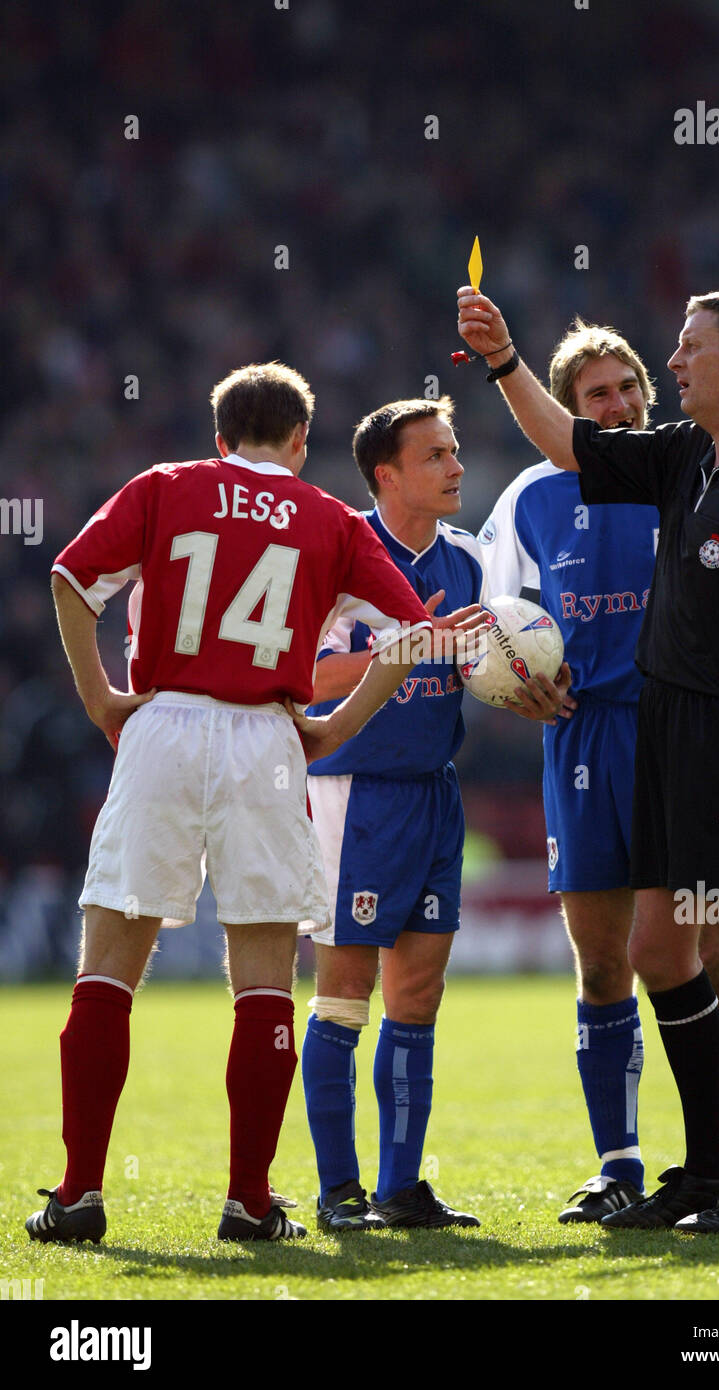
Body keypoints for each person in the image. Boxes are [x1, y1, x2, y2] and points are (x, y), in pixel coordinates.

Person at [27, 361, 479, 1246]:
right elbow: (411, 636)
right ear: (302, 442)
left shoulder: (164, 487)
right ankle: (249, 1200)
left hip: (160, 725)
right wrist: (330, 726)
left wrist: (103, 700)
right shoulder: (327, 519)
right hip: (268, 739)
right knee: (266, 977)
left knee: (107, 967)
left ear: (220, 436)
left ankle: (79, 1194)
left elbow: (71, 581)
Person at [458, 285, 719, 1232]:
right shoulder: (689, 458)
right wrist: (505, 358)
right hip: (664, 736)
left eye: (687, 347)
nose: (672, 365)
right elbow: (568, 444)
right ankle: (703, 1173)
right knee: (657, 950)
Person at [299, 395, 568, 1232]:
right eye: (436, 456)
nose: (457, 467)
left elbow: (488, 662)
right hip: (353, 790)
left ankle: (402, 1188)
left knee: (417, 991)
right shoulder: (332, 555)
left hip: (432, 791)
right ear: (386, 474)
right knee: (345, 992)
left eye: (454, 452)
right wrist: (412, 646)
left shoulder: (467, 558)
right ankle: (339, 1193)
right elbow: (304, 679)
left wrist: (528, 694)